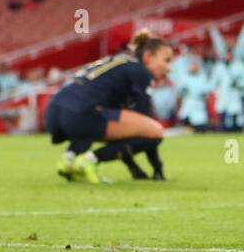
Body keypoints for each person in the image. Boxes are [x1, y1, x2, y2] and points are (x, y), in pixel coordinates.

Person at [44, 30, 170, 183]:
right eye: (166, 60)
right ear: (148, 57)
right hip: (80, 113)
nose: (169, 68)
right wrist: (157, 168)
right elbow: (146, 125)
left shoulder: (119, 63)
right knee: (155, 131)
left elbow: (124, 132)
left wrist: (133, 167)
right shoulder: (141, 72)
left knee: (104, 122)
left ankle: (68, 160)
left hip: (54, 111)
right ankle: (90, 160)